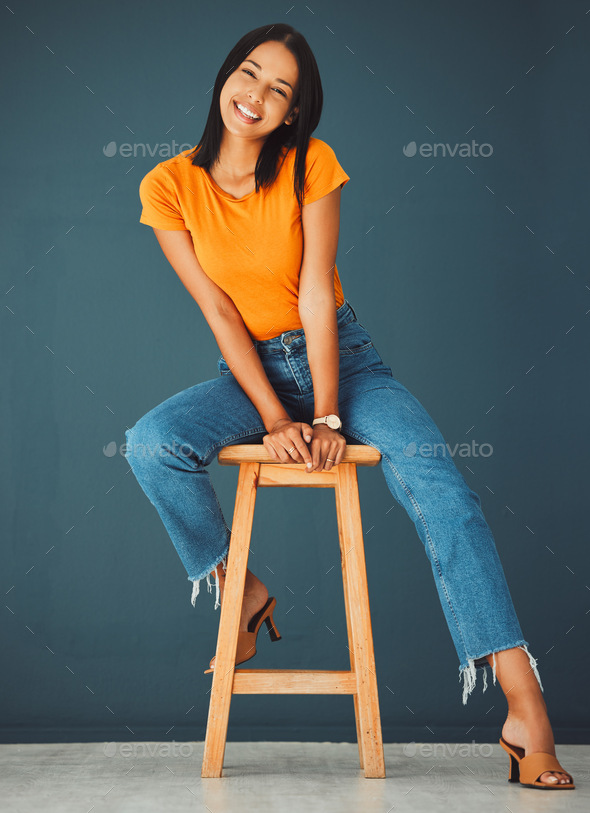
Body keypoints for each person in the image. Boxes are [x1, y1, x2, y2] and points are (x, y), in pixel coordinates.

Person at [125, 23, 574, 788]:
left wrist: (326, 412)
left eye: (280, 90)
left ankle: (523, 704)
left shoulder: (309, 165)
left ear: (293, 113)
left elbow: (312, 293)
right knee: (150, 442)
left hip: (343, 360)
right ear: (225, 77)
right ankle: (242, 585)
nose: (256, 95)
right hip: (252, 373)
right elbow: (221, 313)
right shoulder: (168, 184)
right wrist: (274, 415)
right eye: (249, 73)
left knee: (441, 486)